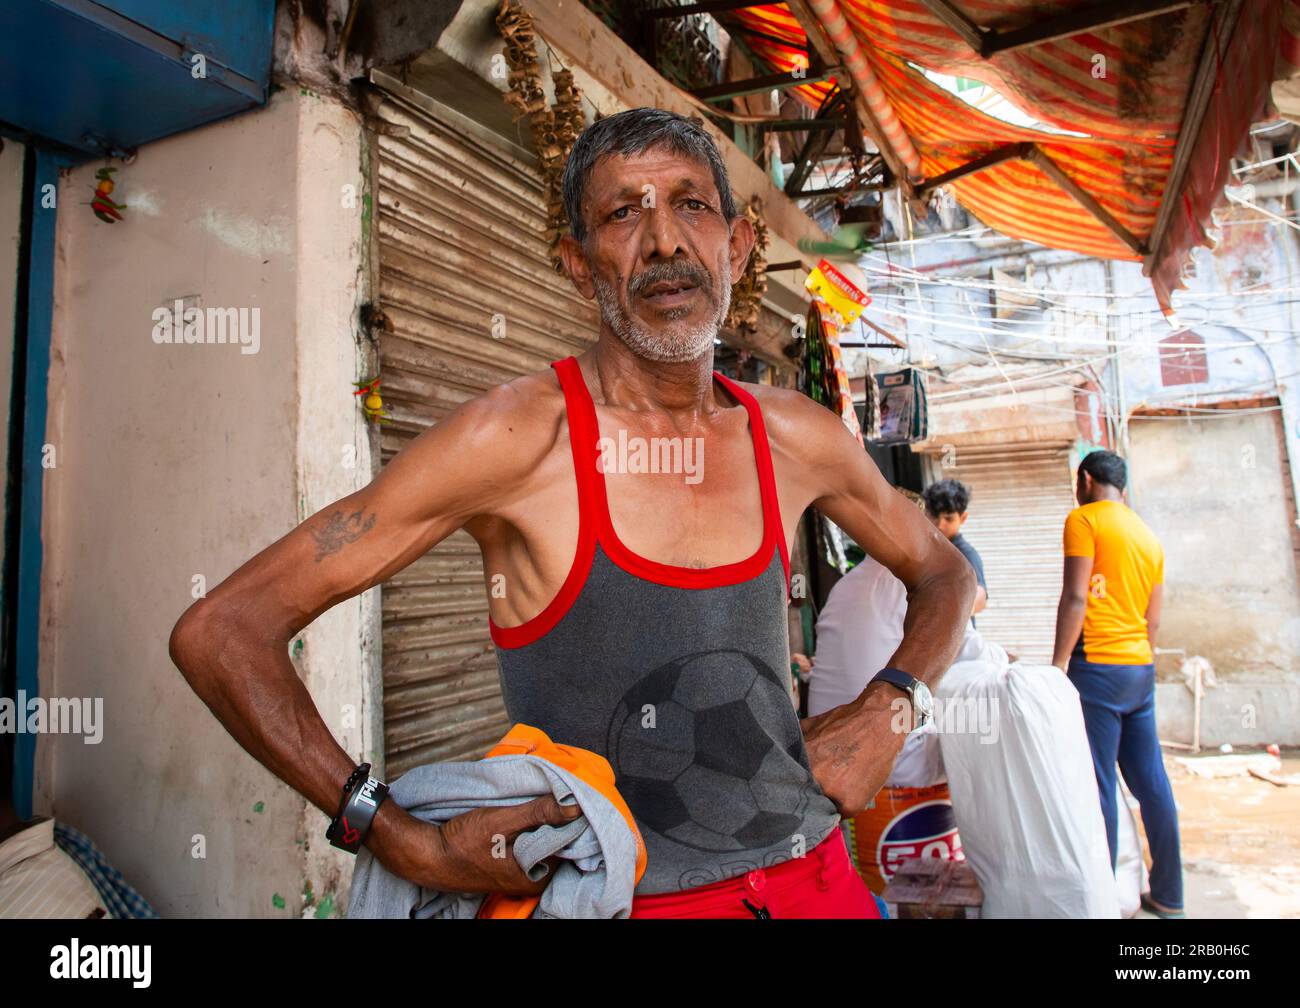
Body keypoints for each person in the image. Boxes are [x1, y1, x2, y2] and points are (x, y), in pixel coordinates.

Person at [169, 107, 975, 919]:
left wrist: (892, 704)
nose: (663, 241)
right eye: (624, 213)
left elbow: (945, 572)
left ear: (735, 246)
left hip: (818, 884)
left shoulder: (798, 436)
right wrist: (397, 835)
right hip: (618, 902)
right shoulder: (515, 440)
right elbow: (222, 631)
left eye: (690, 204)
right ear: (579, 265)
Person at [1051, 449, 1184, 919]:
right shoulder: (1148, 536)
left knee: (1099, 784)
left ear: (1085, 480)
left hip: (1098, 669)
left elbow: (1075, 596)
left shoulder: (1084, 520)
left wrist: (1059, 665)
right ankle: (1169, 896)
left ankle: (1102, 902)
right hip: (1138, 670)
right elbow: (1153, 620)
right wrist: (1140, 662)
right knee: (1152, 783)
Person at [923, 479, 987, 618]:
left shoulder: (966, 554)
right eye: (934, 516)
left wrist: (948, 612)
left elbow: (980, 598)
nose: (940, 525)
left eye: (949, 519)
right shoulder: (924, 548)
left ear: (963, 518)